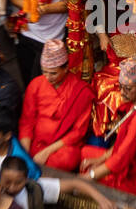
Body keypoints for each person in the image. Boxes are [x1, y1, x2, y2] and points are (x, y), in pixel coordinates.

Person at [79, 59, 136, 201]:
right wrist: (100, 159)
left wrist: (89, 177)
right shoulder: (135, 106)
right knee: (86, 153)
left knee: (86, 175)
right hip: (126, 164)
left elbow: (121, 159)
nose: (122, 93)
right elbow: (120, 146)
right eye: (120, 87)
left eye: (128, 89)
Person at [18, 40, 94, 171]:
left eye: (53, 73)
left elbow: (78, 132)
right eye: (44, 72)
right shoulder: (35, 85)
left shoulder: (81, 91)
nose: (48, 77)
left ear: (65, 68)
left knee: (67, 160)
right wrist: (24, 153)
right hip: (36, 142)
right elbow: (27, 121)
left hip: (62, 146)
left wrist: (47, 152)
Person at [6, 0, 68, 85]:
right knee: (29, 83)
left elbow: (70, 3)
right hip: (27, 34)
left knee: (49, 84)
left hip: (54, 37)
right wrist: (30, 7)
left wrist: (44, 9)